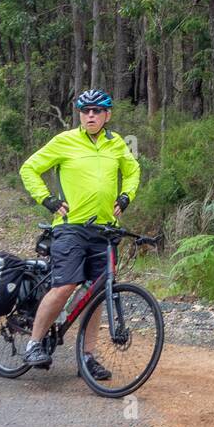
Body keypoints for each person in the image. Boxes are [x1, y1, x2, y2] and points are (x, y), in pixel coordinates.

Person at [18, 90, 140, 378]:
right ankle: (34, 343)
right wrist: (46, 199)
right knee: (65, 285)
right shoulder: (65, 141)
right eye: (85, 111)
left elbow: (133, 171)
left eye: (97, 111)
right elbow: (29, 169)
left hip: (104, 230)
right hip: (70, 228)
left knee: (99, 292)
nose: (90, 116)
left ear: (107, 115)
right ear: (80, 115)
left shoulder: (117, 143)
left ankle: (87, 357)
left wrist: (125, 198)